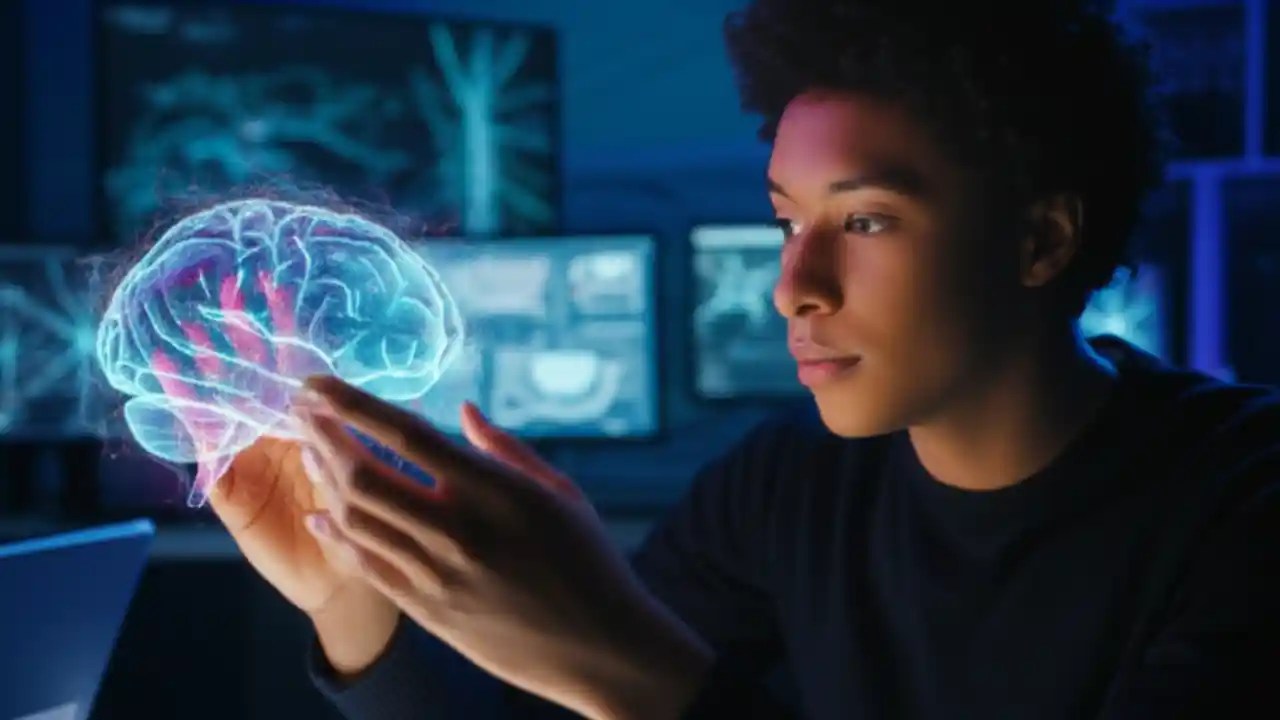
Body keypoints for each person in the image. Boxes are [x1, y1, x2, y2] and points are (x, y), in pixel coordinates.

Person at [176, 0, 1280, 717]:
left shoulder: (1244, 503)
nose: (793, 285)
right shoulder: (782, 489)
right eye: (785, 220)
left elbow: (636, 685)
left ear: (1039, 240)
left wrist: (624, 659)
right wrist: (352, 601)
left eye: (865, 221)